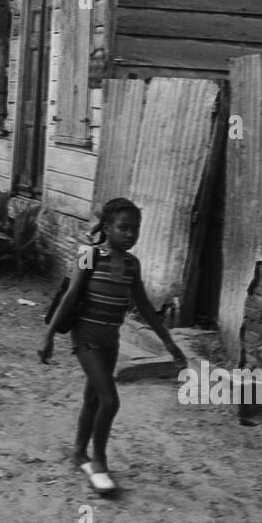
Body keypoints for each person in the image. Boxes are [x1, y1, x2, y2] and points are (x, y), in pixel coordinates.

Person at [38, 198, 188, 496]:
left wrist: (170, 343)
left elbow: (144, 306)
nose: (130, 234)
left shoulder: (132, 264)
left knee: (93, 399)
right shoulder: (89, 256)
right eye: (124, 228)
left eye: (136, 229)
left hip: (110, 341)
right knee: (110, 401)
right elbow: (69, 297)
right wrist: (49, 335)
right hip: (86, 339)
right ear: (107, 228)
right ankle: (99, 463)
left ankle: (79, 452)